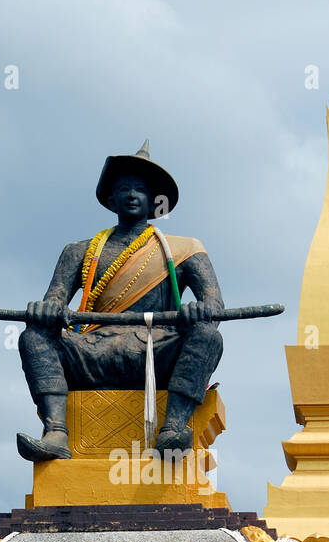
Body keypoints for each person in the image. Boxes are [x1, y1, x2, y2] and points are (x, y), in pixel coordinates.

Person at [16, 142, 224, 461]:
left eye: (139, 189)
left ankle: (172, 429)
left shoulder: (184, 250)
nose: (131, 195)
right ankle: (56, 431)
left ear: (155, 201)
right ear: (110, 199)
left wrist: (202, 311)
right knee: (34, 336)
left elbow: (214, 305)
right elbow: (55, 302)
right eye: (124, 188)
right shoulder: (79, 251)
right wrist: (46, 311)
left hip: (156, 350)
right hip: (93, 353)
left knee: (208, 336)